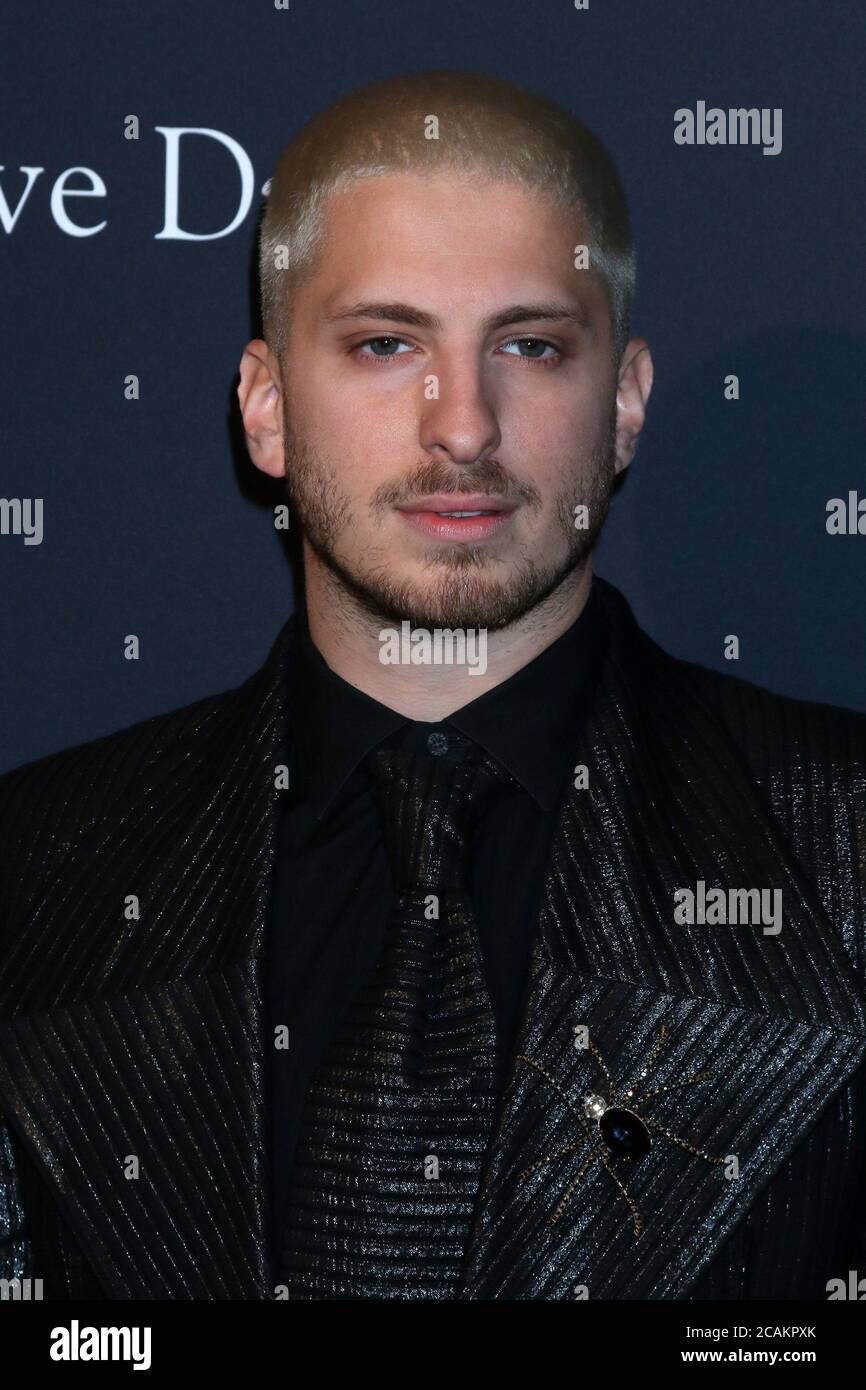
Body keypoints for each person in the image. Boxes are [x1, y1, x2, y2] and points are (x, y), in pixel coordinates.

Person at [1, 69, 864, 1302]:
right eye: (383, 343)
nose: (461, 425)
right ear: (265, 409)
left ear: (621, 406)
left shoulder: (842, 853)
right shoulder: (37, 871)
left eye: (528, 345)